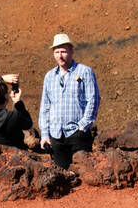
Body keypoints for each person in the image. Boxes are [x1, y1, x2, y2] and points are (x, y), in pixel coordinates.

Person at [39, 33, 100, 170]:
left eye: (63, 51)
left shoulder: (85, 72)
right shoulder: (49, 76)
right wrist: (44, 134)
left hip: (77, 134)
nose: (60, 56)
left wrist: (83, 126)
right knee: (62, 176)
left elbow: (93, 100)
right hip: (56, 135)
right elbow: (45, 106)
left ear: (71, 51)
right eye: (57, 52)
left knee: (85, 175)